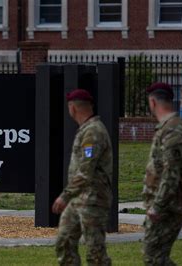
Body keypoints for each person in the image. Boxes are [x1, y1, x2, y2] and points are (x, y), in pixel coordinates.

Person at [52, 88, 113, 266]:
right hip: (79, 198)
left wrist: (64, 196)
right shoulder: (85, 130)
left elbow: (86, 171)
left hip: (93, 199)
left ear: (72, 108)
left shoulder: (93, 132)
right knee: (64, 241)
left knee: (96, 253)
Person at [142, 82, 182, 265]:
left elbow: (171, 172)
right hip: (166, 204)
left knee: (154, 255)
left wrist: (158, 205)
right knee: (154, 256)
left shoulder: (173, 130)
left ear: (153, 102)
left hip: (170, 206)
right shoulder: (167, 128)